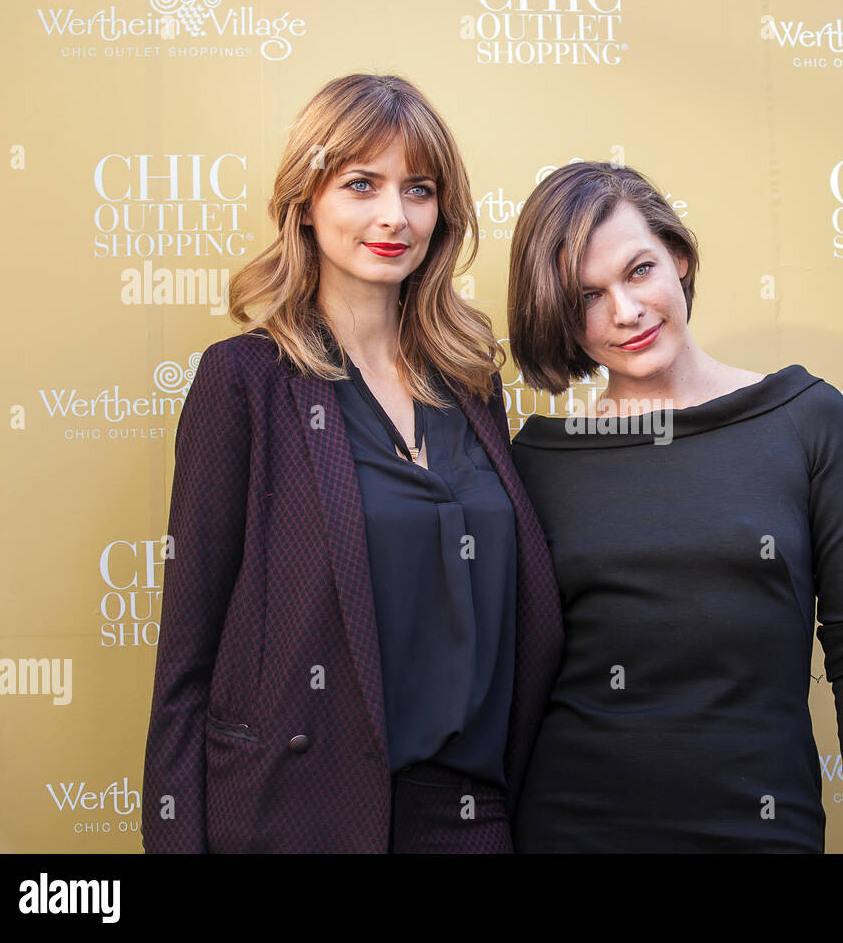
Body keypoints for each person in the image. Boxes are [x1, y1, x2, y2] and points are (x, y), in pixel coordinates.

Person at [140, 74, 562, 854]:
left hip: (473, 817)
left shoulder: (471, 381)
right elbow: (186, 658)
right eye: (361, 184)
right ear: (307, 199)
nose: (394, 216)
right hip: (299, 814)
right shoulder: (246, 380)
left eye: (420, 189)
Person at [505, 162, 843, 852]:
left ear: (679, 257)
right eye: (587, 297)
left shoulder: (805, 420)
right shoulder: (536, 462)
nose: (625, 312)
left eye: (638, 271)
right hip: (572, 827)